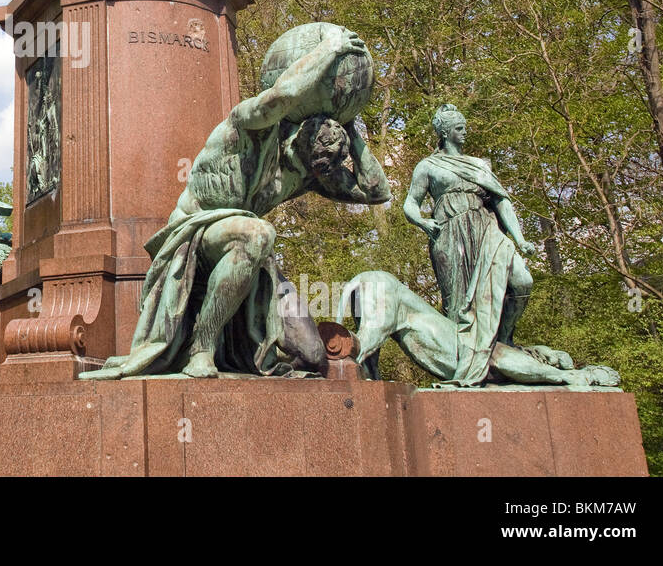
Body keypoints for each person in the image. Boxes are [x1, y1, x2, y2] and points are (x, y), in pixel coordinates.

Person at [81, 26, 392, 379]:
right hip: (195, 232)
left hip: (244, 247)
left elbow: (375, 191)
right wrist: (330, 49)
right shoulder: (249, 125)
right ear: (298, 135)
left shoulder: (304, 171)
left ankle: (249, 355)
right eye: (313, 159)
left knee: (311, 353)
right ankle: (202, 347)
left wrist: (349, 124)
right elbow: (283, 94)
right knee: (258, 233)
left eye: (320, 167)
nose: (313, 171)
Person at [402, 103, 537, 385]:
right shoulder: (428, 166)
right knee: (458, 305)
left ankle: (504, 339)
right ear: (445, 132)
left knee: (522, 281)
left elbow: (501, 200)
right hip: (450, 236)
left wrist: (520, 239)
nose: (465, 133)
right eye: (459, 128)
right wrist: (423, 222)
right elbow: (410, 204)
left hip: (487, 231)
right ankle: (465, 364)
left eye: (464, 127)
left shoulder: (479, 165)